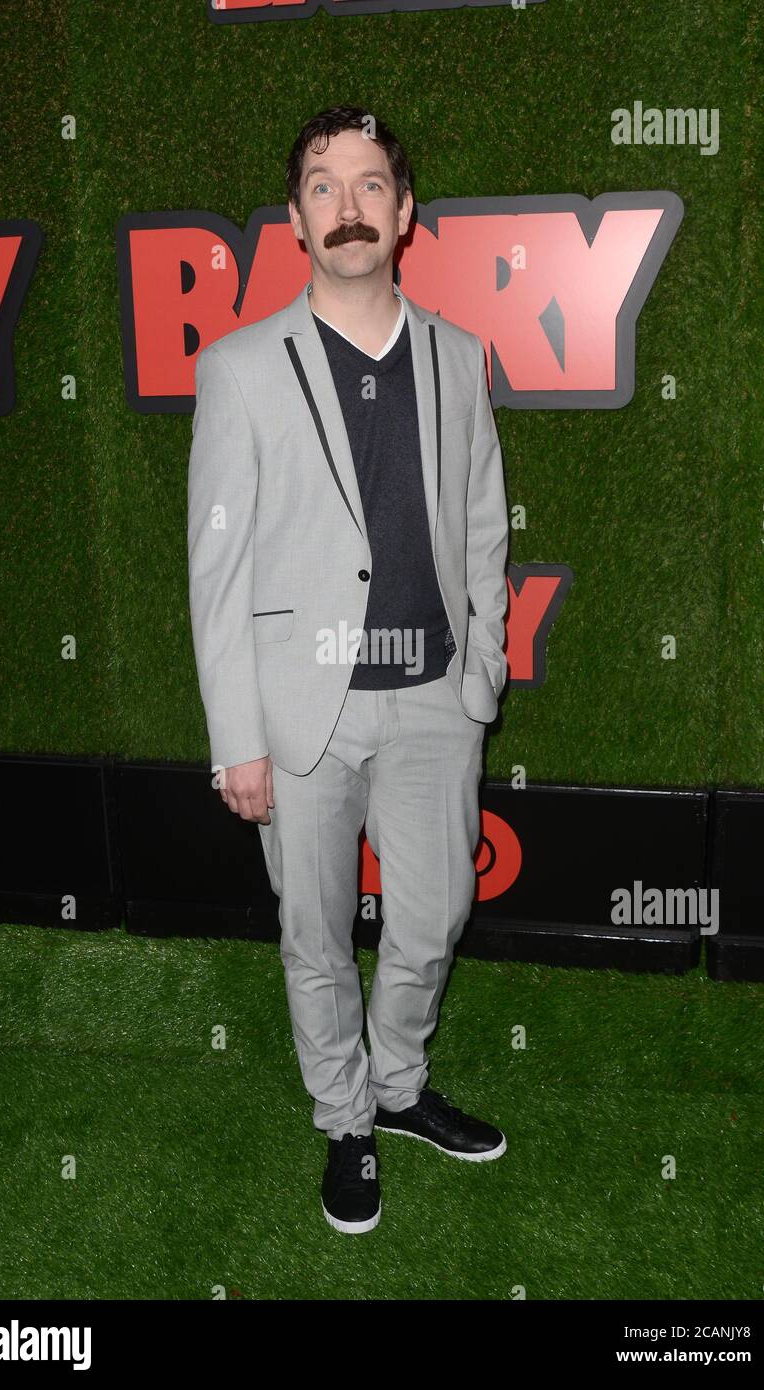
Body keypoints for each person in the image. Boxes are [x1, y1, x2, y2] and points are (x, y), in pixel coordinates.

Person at [188, 105, 510, 1235]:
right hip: (301, 711)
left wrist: (485, 673)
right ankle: (346, 1121)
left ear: (406, 212)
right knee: (315, 932)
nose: (348, 206)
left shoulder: (464, 358)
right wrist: (240, 738)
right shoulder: (236, 370)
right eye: (323, 187)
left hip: (434, 699)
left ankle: (400, 1084)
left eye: (371, 184)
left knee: (433, 915)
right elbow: (215, 568)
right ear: (294, 221)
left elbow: (482, 524)